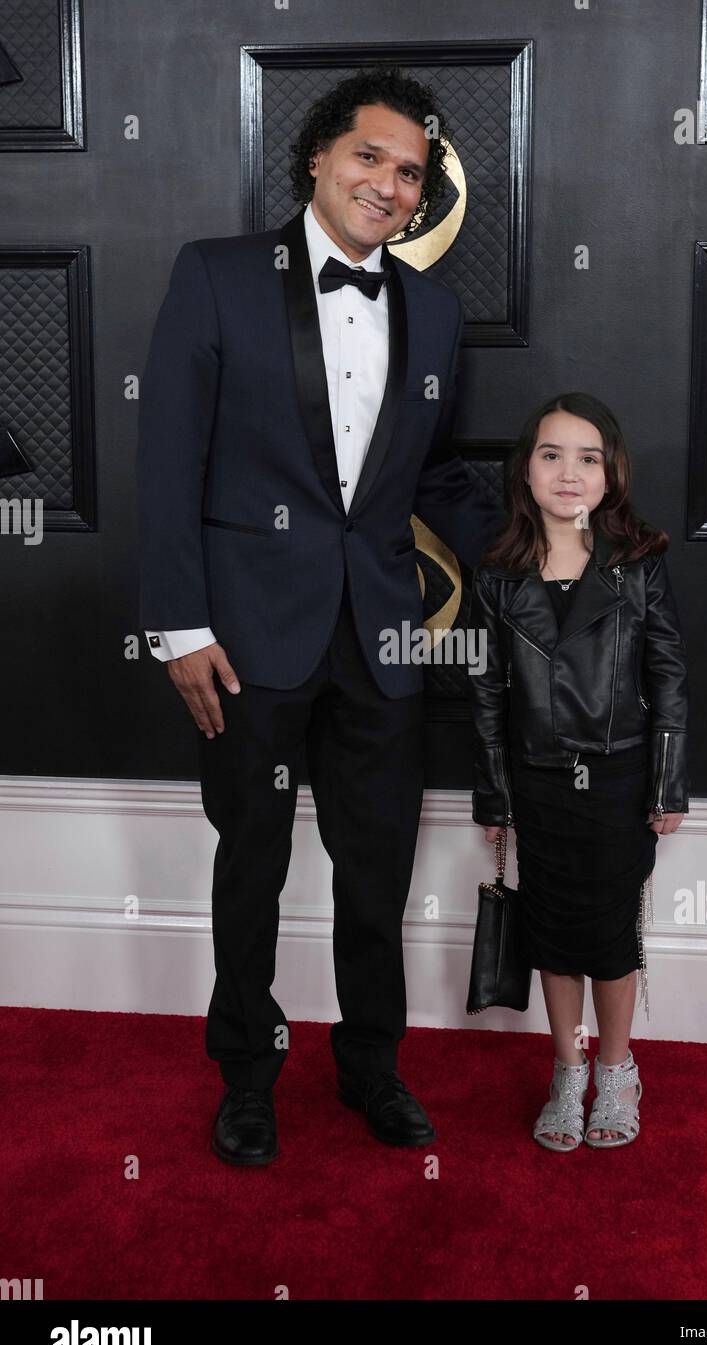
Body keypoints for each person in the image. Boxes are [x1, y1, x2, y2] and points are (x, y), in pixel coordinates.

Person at [135, 66, 501, 1164]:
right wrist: (178, 626)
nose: (389, 185)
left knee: (375, 867)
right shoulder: (216, 276)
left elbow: (432, 476)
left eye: (410, 174)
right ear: (317, 156)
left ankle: (370, 1067)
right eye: (370, 158)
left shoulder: (433, 312)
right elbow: (167, 464)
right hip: (245, 636)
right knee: (250, 858)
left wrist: (543, 558)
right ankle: (247, 1073)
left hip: (384, 635)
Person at [468, 392, 689, 1150]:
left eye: (587, 457)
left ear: (610, 473)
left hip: (622, 779)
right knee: (553, 931)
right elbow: (487, 694)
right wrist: (494, 792)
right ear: (526, 472)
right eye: (551, 455)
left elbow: (669, 679)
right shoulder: (498, 577)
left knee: (608, 933)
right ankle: (569, 1068)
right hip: (538, 782)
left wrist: (667, 782)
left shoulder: (639, 565)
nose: (569, 472)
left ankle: (618, 1069)